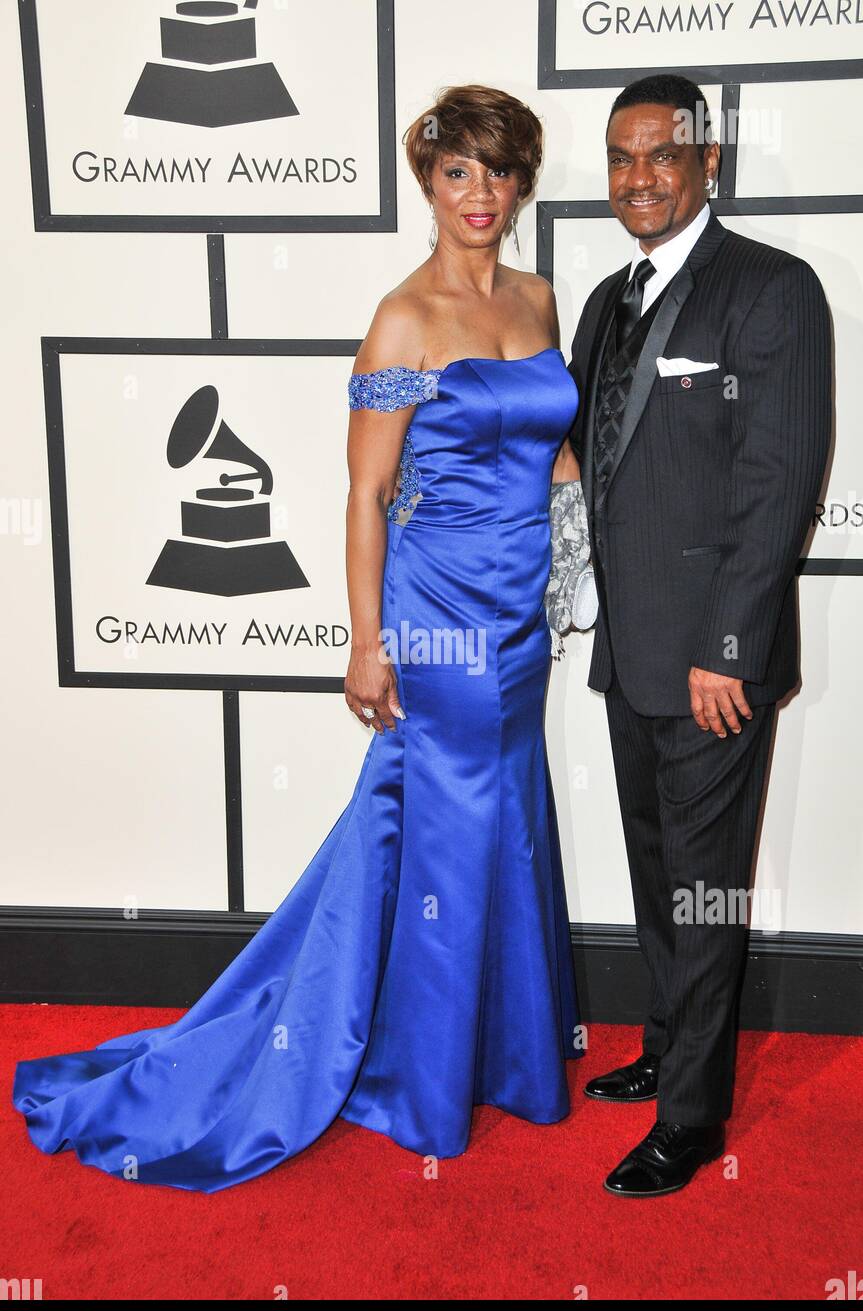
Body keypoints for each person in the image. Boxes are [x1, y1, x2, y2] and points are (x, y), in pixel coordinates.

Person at [12, 85, 594, 1193]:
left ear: (521, 182)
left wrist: (573, 560)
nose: (480, 193)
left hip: (518, 616)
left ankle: (508, 1058)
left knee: (501, 823)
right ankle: (425, 1081)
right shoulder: (402, 318)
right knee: (447, 833)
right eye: (457, 171)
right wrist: (365, 640)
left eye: (499, 170)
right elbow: (364, 493)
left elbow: (548, 444)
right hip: (436, 619)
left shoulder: (537, 296)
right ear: (426, 182)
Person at [567, 73, 832, 1196]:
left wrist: (726, 646)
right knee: (653, 871)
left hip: (710, 663)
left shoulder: (770, 290)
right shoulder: (602, 300)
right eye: (620, 158)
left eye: (660, 157)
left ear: (705, 163)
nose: (637, 177)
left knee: (704, 887)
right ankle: (669, 1048)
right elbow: (587, 462)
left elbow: (777, 482)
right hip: (629, 655)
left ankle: (691, 1119)